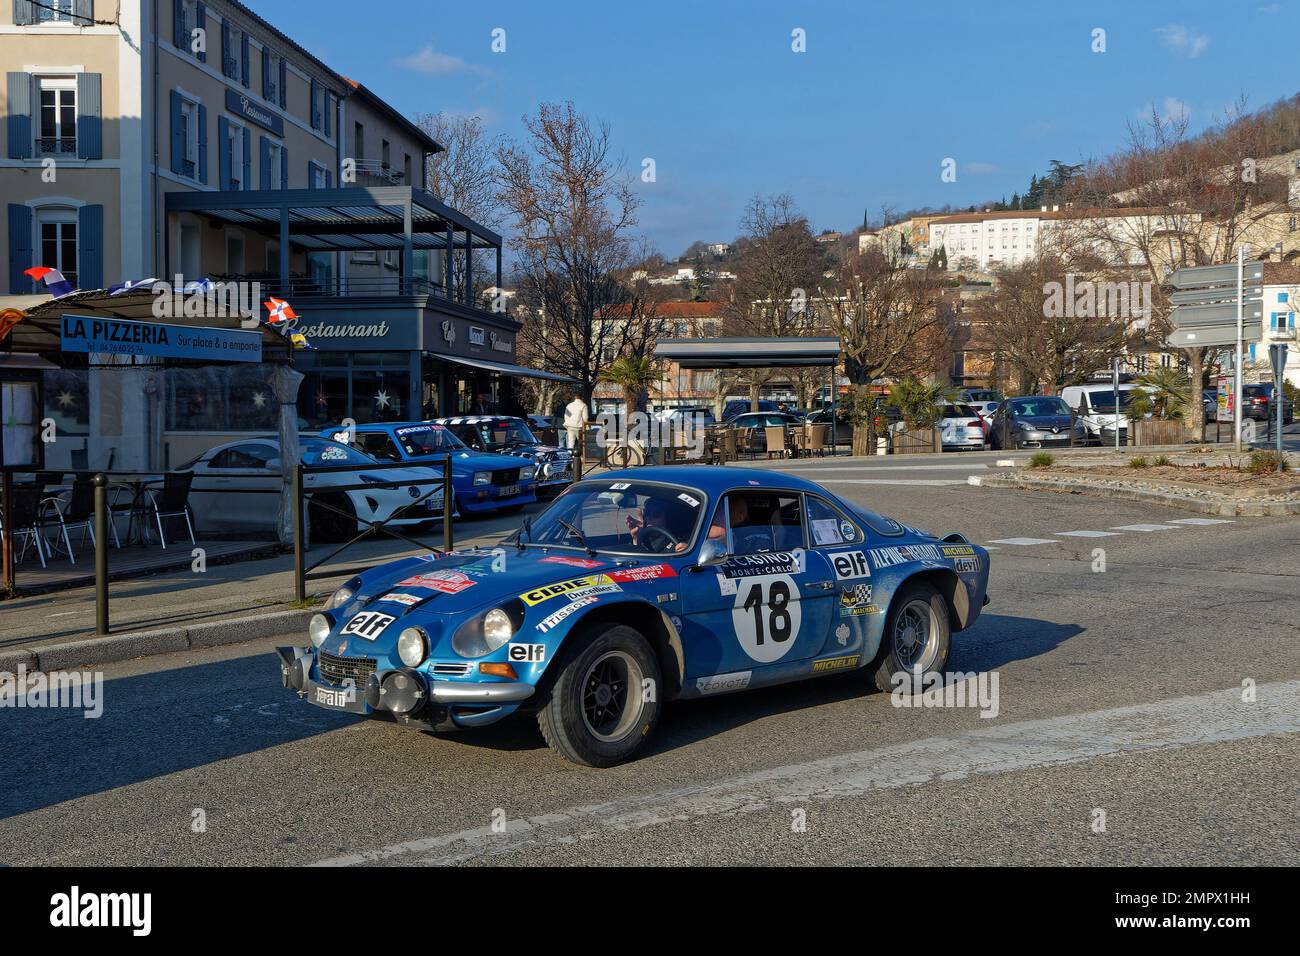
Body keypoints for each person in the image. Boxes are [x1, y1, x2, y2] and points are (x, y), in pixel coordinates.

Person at [626, 497, 691, 552]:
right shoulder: (645, 541)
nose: (649, 518)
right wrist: (636, 538)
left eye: (656, 514)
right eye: (647, 513)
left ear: (668, 519)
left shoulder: (680, 545)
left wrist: (687, 550)